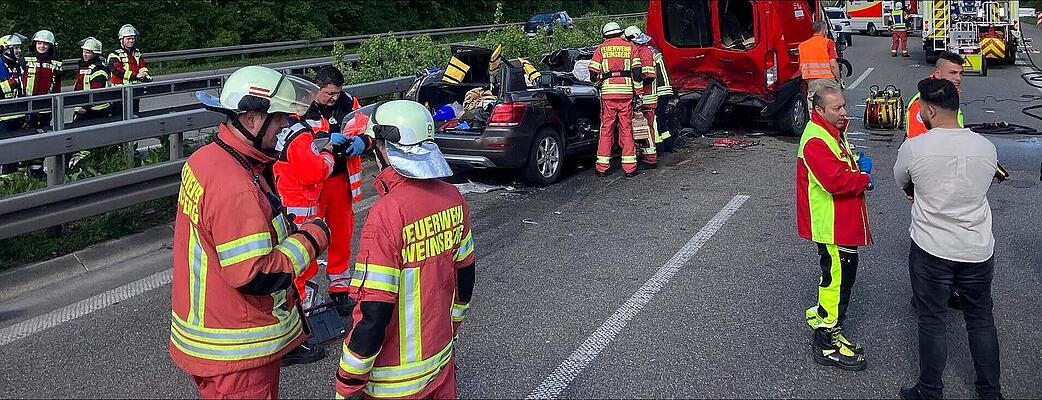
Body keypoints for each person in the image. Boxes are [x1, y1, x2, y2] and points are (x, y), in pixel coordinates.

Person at [169, 65, 331, 399]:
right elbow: (254, 274)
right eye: (280, 117)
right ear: (253, 118)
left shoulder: (206, 160)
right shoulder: (236, 186)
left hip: (213, 334)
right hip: (239, 350)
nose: (286, 125)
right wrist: (312, 239)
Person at [334, 100, 475, 399]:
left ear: (384, 148)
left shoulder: (388, 213)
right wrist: (452, 328)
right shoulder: (453, 198)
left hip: (394, 382)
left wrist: (348, 382)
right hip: (440, 362)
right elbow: (466, 277)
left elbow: (374, 310)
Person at [894, 78, 1003, 400]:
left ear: (929, 110)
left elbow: (902, 179)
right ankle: (990, 392)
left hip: (932, 247)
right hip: (977, 247)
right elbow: (985, 184)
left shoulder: (915, 147)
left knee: (932, 320)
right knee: (981, 320)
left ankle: (930, 391)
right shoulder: (986, 147)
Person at [795, 86, 872, 371]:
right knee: (835, 285)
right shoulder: (816, 140)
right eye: (837, 109)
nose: (844, 113)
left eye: (843, 106)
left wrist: (856, 165)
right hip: (832, 226)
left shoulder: (829, 130)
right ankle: (826, 343)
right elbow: (835, 182)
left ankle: (835, 333)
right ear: (819, 111)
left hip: (841, 223)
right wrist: (863, 178)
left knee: (842, 282)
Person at [300, 65, 369, 314]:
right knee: (309, 237)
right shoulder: (302, 106)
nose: (333, 98)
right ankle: (305, 293)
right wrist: (326, 141)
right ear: (316, 87)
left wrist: (365, 140)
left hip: (341, 179)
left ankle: (339, 290)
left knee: (341, 235)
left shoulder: (349, 102)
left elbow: (366, 126)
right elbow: (294, 139)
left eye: (337, 93)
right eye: (328, 93)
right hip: (312, 181)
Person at [589, 22, 643, 178]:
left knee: (606, 130)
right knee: (626, 129)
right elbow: (638, 73)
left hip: (608, 94)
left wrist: (600, 83)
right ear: (619, 33)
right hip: (626, 93)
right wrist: (638, 93)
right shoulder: (630, 47)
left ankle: (602, 168)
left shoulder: (601, 49)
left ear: (605, 35)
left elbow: (593, 75)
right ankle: (630, 168)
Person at [907, 51, 965, 139]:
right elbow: (918, 141)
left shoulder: (945, 95)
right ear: (937, 73)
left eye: (961, 73)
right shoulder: (923, 101)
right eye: (952, 73)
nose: (958, 78)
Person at [623, 26, 659, 169]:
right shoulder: (642, 51)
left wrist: (634, 83)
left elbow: (648, 77)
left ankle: (650, 160)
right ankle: (647, 156)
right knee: (643, 129)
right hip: (644, 97)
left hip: (646, 98)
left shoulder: (643, 53)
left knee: (645, 129)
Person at [22, 30, 62, 129]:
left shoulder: (56, 61)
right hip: (28, 101)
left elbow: (57, 84)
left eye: (45, 44)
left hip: (46, 102)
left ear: (50, 46)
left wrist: (57, 101)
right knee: (30, 131)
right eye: (39, 43)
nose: (42, 46)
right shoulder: (26, 59)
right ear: (35, 44)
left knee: (46, 130)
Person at [798, 21, 842, 109]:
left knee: (814, 104)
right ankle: (831, 121)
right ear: (823, 31)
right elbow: (833, 65)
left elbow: (801, 67)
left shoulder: (802, 46)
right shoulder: (828, 43)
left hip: (811, 81)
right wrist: (838, 80)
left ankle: (815, 121)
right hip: (828, 79)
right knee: (834, 103)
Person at [73, 37, 112, 121]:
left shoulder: (99, 69)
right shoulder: (83, 66)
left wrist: (84, 107)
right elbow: (79, 85)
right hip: (83, 107)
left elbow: (96, 90)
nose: (84, 54)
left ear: (95, 54)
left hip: (96, 111)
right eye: (83, 51)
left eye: (88, 52)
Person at [0, 34, 27, 133]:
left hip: (20, 115)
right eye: (16, 48)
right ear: (5, 49)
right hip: (3, 119)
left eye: (19, 47)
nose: (19, 51)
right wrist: (12, 83)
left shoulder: (19, 64)